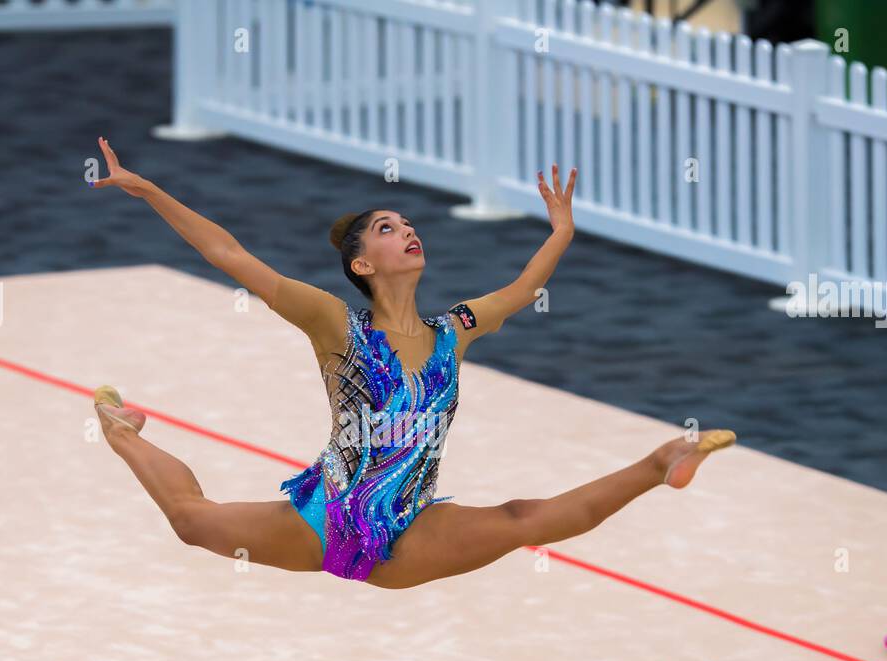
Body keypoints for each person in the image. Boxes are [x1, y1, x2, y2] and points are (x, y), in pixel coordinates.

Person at [89, 137, 735, 588]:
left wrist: (560, 232)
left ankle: (659, 464)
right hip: (323, 520)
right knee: (191, 522)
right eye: (388, 228)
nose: (407, 230)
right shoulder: (334, 323)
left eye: (407, 223)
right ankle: (123, 431)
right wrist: (149, 191)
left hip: (411, 532)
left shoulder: (456, 330)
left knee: (522, 521)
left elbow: (518, 292)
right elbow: (231, 255)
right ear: (362, 264)